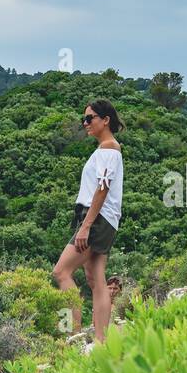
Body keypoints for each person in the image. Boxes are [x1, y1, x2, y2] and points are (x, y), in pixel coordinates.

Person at [52, 99, 123, 347]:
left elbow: (102, 189)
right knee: (95, 280)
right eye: (83, 119)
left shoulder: (108, 150)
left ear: (106, 120)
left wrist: (85, 226)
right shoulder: (106, 149)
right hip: (104, 219)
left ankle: (73, 335)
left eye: (90, 118)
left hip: (97, 219)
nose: (85, 123)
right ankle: (102, 342)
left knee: (61, 272)